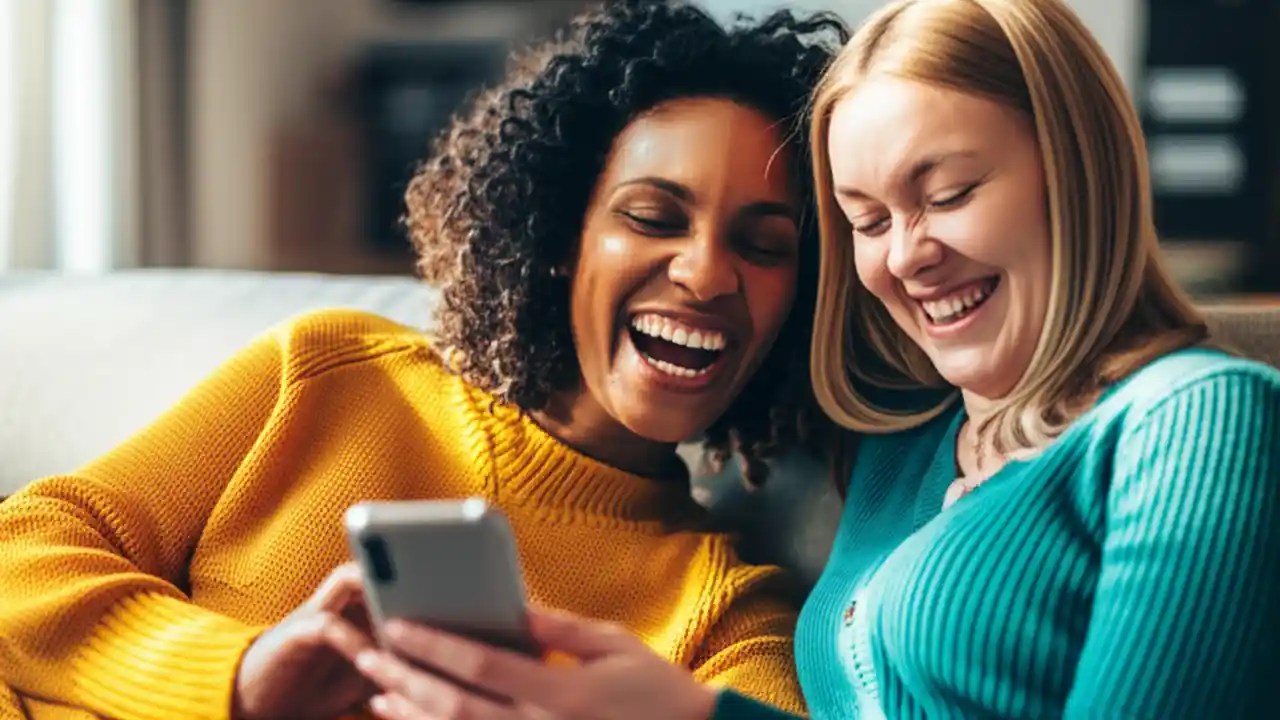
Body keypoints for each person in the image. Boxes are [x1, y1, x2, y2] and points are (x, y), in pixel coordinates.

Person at [321, 0, 1280, 718]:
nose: (904, 255)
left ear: (1079, 174)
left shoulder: (1198, 417)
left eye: (946, 194)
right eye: (865, 220)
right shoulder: (900, 441)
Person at [0, 2, 848, 718]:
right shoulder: (332, 374)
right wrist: (239, 674)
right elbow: (23, 548)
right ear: (561, 236)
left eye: (763, 244)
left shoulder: (727, 613)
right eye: (655, 217)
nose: (705, 273)